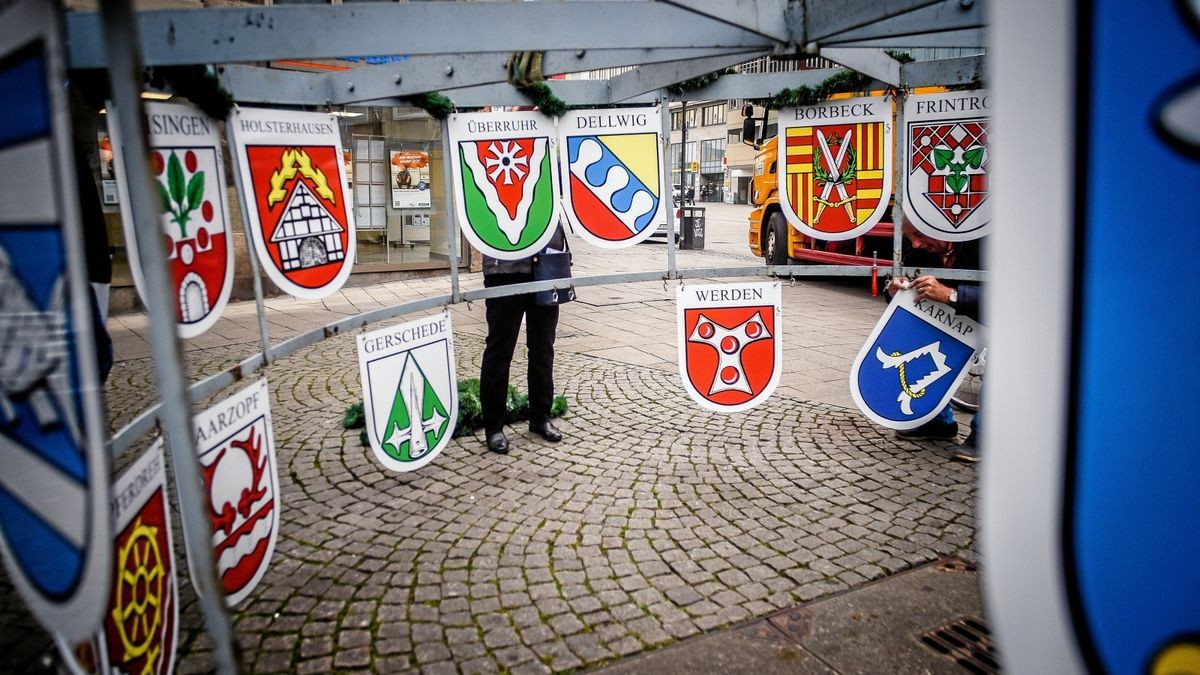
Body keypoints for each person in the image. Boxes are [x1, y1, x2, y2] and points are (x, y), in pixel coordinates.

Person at [885, 221, 983, 462]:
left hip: (999, 320)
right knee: (919, 338)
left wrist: (951, 295)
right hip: (958, 321)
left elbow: (1011, 297)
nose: (916, 243)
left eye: (918, 234)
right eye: (909, 237)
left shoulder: (981, 240)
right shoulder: (920, 250)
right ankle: (936, 420)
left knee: (1008, 350)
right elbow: (908, 292)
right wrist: (896, 292)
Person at [479, 226, 568, 454]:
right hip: (504, 267)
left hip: (547, 263)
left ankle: (541, 416)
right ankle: (494, 426)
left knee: (543, 348)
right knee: (500, 349)